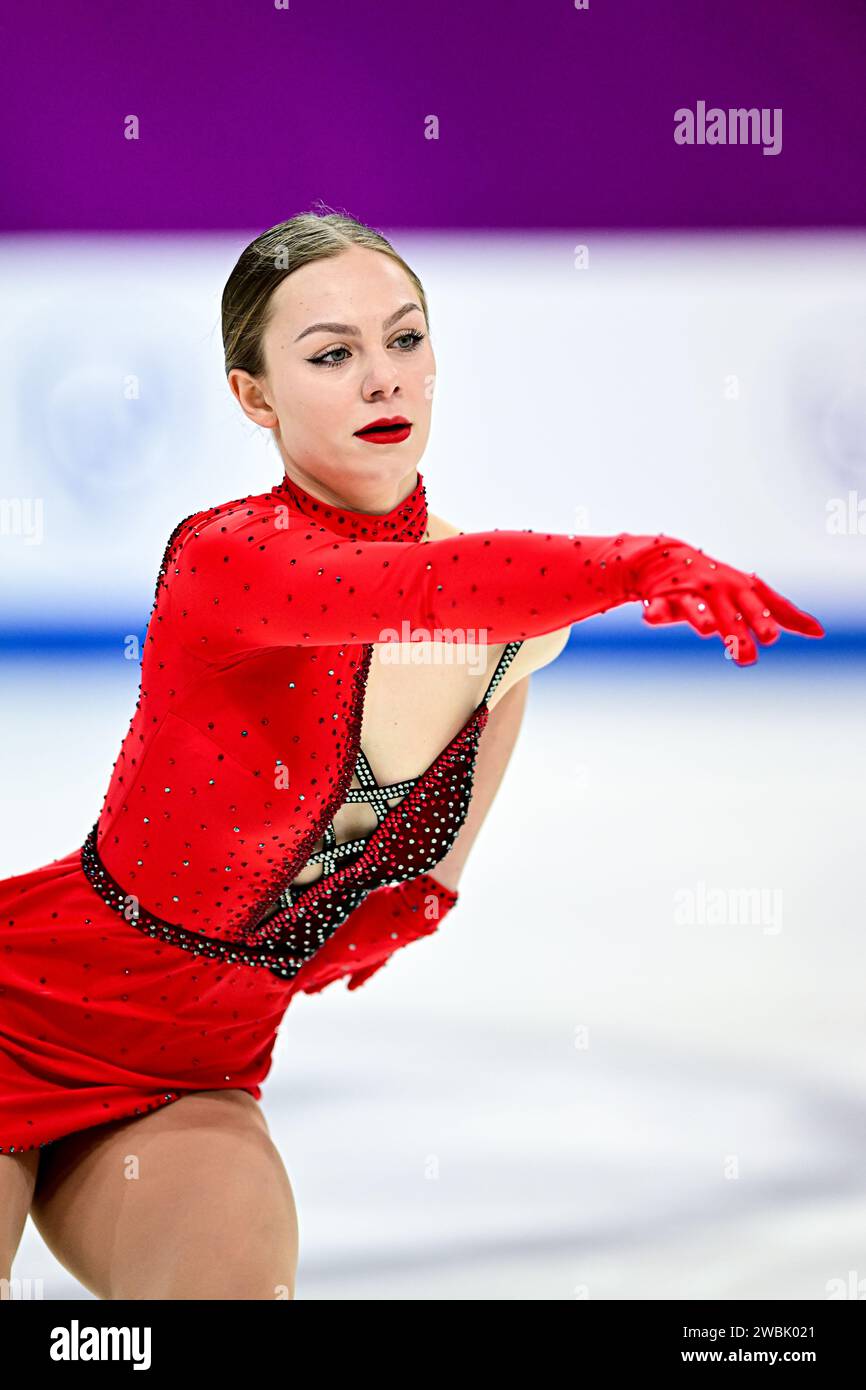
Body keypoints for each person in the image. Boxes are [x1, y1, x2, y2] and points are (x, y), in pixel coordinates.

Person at [0, 211, 824, 1301]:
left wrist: (431, 888)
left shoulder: (518, 630)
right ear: (255, 397)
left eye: (403, 339)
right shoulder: (227, 558)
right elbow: (413, 594)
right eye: (332, 354)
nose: (381, 379)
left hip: (193, 1068)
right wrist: (641, 560)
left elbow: (486, 693)